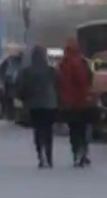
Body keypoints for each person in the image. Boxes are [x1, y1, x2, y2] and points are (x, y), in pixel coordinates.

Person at [19, 46, 59, 168]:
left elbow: (22, 88)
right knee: (48, 130)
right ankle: (49, 154)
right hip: (50, 104)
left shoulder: (27, 72)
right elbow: (58, 85)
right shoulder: (51, 70)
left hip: (34, 105)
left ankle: (40, 152)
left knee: (38, 130)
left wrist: (24, 100)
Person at [59, 39, 95, 168]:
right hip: (83, 101)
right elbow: (88, 79)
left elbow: (59, 83)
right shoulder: (82, 63)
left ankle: (76, 152)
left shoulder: (63, 64)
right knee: (83, 128)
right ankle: (83, 152)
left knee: (74, 130)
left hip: (69, 103)